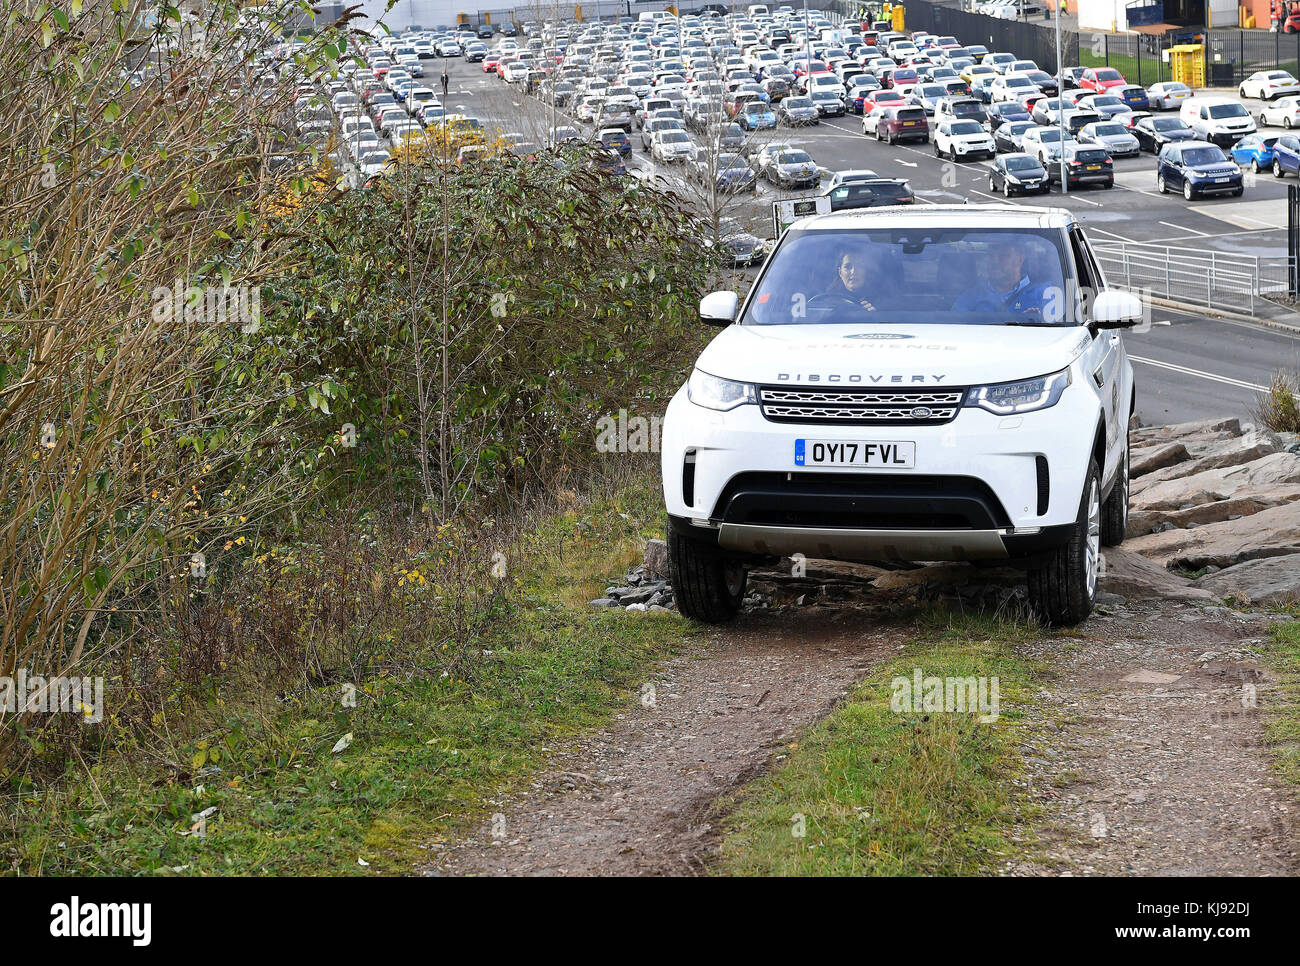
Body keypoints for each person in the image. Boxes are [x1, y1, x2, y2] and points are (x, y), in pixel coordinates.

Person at [953, 236, 1056, 318]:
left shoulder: (1045, 295)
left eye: (1003, 256)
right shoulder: (972, 296)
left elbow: (1055, 334)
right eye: (991, 255)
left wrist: (1032, 324)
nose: (995, 261)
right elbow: (954, 328)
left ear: (1020, 259)